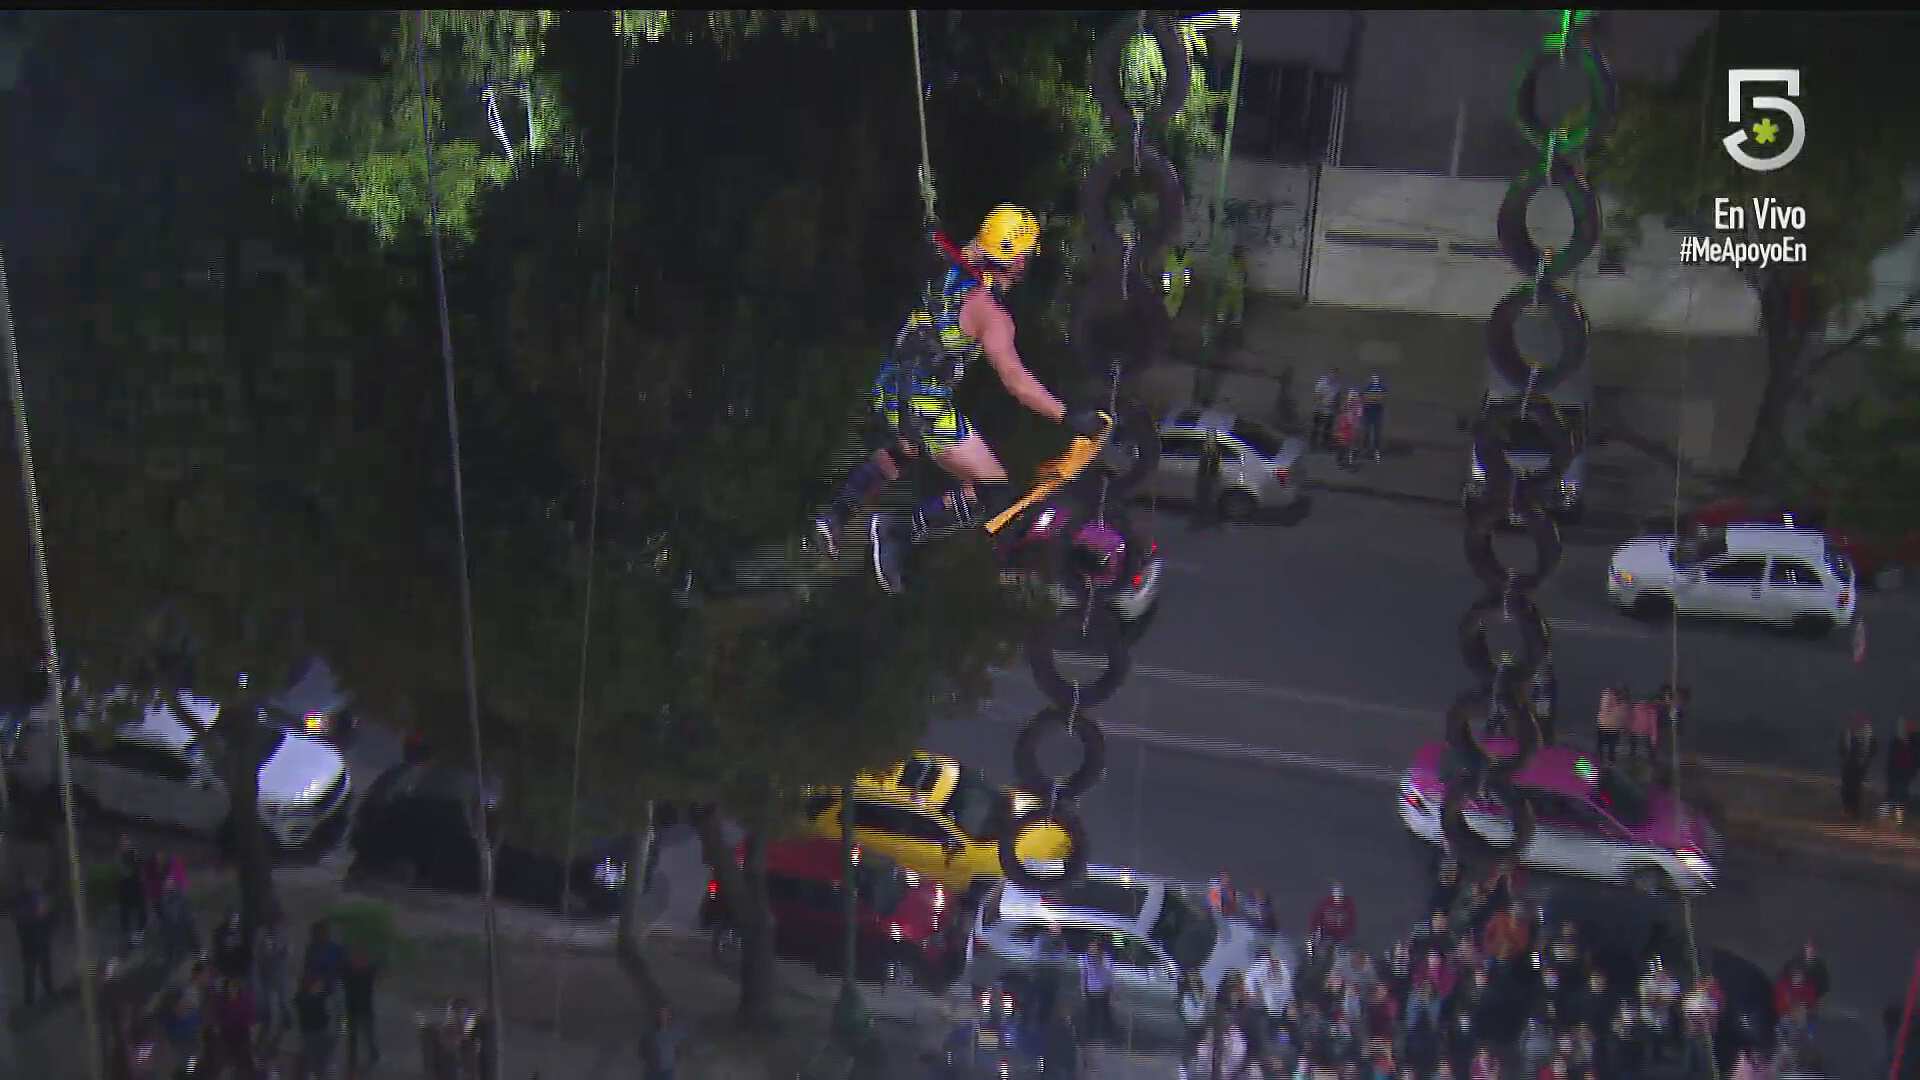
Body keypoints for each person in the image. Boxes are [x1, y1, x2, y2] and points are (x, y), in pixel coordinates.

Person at [810, 205, 1102, 582]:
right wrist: (1066, 415)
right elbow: (1014, 379)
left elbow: (959, 249)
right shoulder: (991, 314)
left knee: (904, 449)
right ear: (1014, 261)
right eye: (1026, 254)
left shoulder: (952, 267)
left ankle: (836, 515)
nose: (1029, 261)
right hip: (925, 405)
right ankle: (898, 531)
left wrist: (936, 230)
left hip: (890, 387)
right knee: (996, 491)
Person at [13, 880, 56, 1009]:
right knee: (30, 971)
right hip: (31, 943)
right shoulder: (24, 903)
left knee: (44, 968)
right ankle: (30, 1000)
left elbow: (49, 917)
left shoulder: (39, 898)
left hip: (40, 941)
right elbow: (21, 923)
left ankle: (47, 993)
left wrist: (48, 926)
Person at [343, 946, 379, 1070]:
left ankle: (372, 1053)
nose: (357, 960)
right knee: (353, 1034)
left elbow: (374, 968)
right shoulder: (349, 971)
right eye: (356, 957)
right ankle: (353, 1057)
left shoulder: (368, 971)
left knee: (368, 1034)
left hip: (364, 1008)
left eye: (360, 957)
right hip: (352, 1008)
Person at [293, 975, 332, 1080]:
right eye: (318, 985)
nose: (320, 987)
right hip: (310, 1033)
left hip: (320, 1032)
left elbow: (334, 1015)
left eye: (320, 985)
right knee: (309, 1060)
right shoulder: (302, 998)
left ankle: (317, 1074)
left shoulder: (322, 996)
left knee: (320, 1062)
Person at [1840, 714, 1877, 820]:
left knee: (1855, 789)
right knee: (1846, 789)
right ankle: (1848, 809)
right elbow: (1841, 748)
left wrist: (1865, 759)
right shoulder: (1847, 733)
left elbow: (1873, 749)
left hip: (1859, 767)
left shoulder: (1868, 736)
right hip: (1848, 766)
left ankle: (1854, 812)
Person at [1079, 939, 1115, 1042]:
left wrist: (1112, 990)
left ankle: (1107, 1035)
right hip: (1091, 989)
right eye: (1091, 947)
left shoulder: (1105, 958)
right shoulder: (1085, 958)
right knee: (1091, 1013)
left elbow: (1109, 975)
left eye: (1095, 947)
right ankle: (1090, 1035)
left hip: (1104, 990)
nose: (1092, 949)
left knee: (1105, 1013)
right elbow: (1083, 975)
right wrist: (1083, 990)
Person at [639, 1004, 684, 1080]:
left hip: (667, 1070)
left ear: (669, 1016)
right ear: (657, 1016)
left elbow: (678, 1050)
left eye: (665, 1014)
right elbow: (641, 1051)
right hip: (652, 1070)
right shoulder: (649, 1033)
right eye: (661, 1014)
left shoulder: (674, 1033)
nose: (663, 1017)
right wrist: (651, 1061)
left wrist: (672, 1061)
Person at [1887, 716, 1916, 823]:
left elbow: (1914, 757)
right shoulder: (1897, 740)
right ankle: (1896, 817)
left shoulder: (1913, 741)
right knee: (1896, 794)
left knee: (1900, 794)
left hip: (1904, 772)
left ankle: (1898, 818)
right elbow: (1891, 757)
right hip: (1897, 771)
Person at [1593, 685, 1626, 766]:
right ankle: (1600, 761)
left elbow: (1622, 715)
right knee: (1602, 745)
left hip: (1613, 727)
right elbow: (1605, 709)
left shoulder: (1620, 701)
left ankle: (1609, 762)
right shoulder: (1608, 697)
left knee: (1611, 747)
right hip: (1605, 725)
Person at [1311, 368, 1342, 451]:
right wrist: (1322, 404)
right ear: (1329, 374)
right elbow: (1317, 396)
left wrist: (1337, 407)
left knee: (1328, 429)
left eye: (1336, 374)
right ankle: (1313, 445)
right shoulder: (1322, 382)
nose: (1334, 376)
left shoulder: (1337, 385)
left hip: (1330, 410)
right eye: (1333, 374)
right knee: (1316, 428)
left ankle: (1325, 445)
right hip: (1319, 409)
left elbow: (1337, 397)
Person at [1360, 371, 1387, 462]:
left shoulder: (1381, 388)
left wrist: (1371, 398)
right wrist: (1372, 398)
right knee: (1366, 433)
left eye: (1376, 379)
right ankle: (1366, 450)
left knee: (1376, 434)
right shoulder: (1367, 388)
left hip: (1376, 414)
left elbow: (1380, 398)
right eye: (1372, 379)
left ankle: (1375, 451)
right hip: (1368, 414)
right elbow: (1363, 398)